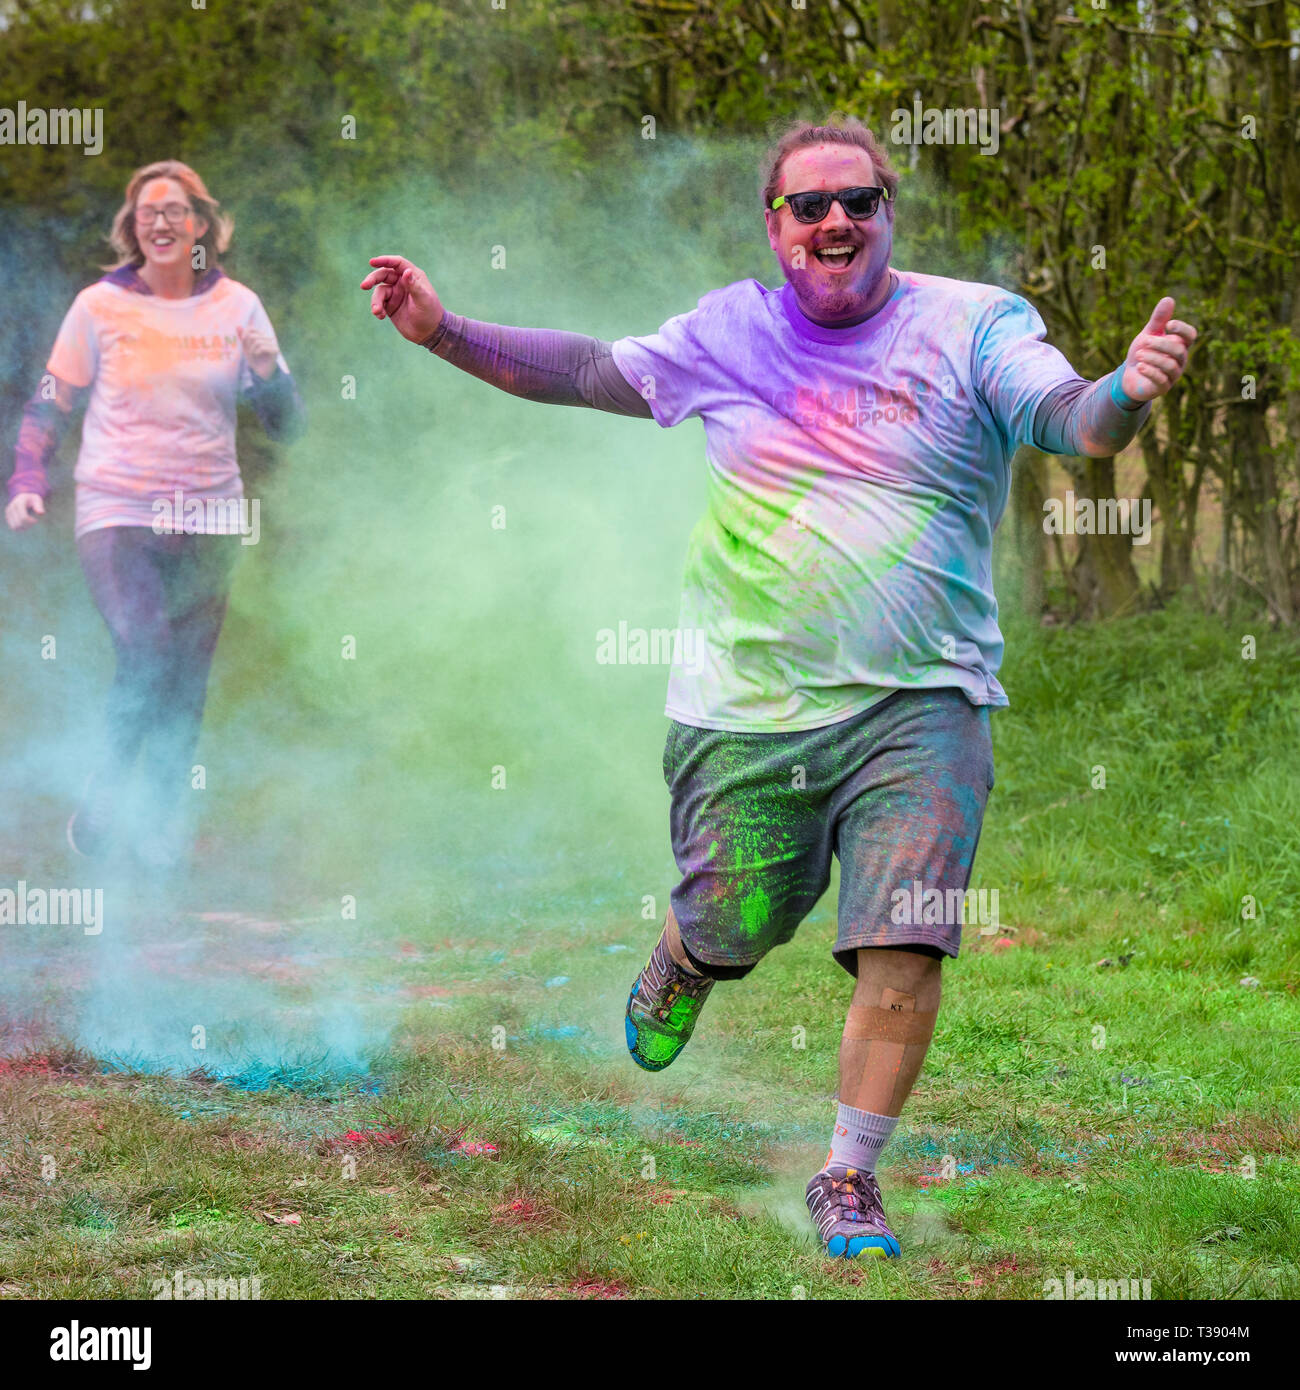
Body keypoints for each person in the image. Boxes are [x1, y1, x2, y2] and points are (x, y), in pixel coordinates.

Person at [360, 117, 1196, 1259]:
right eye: (811, 205)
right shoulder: (728, 332)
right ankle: (686, 957)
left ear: (888, 214)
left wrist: (1126, 392)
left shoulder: (973, 324)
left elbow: (1069, 421)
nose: (836, 219)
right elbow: (592, 370)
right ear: (777, 226)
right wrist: (442, 330)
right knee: (737, 917)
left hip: (924, 697)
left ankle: (846, 1175)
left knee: (908, 936)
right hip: (746, 705)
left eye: (859, 199)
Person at [5, 159, 305, 869]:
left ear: (202, 224)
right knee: (144, 649)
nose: (161, 223)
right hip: (120, 507)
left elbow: (285, 423)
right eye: (147, 213)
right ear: (132, 228)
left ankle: (161, 824)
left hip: (210, 516)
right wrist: (26, 476)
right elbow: (52, 401)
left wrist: (269, 373)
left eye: (175, 211)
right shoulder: (100, 307)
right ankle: (106, 794)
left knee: (186, 682)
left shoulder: (239, 307)